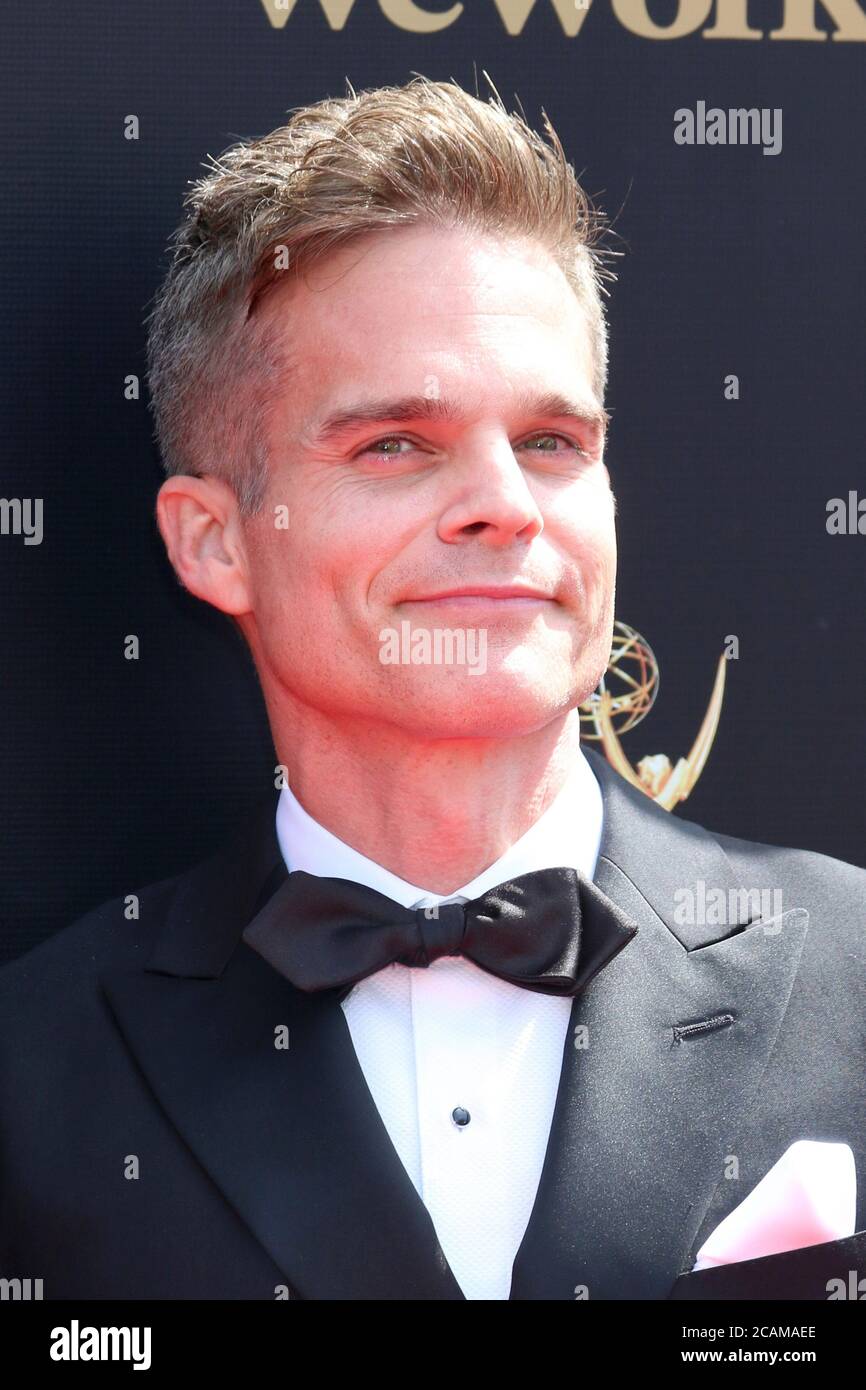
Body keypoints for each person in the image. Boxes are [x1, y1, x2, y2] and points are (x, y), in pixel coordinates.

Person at [1, 76, 864, 1302]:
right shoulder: (36, 1076)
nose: (505, 503)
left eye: (552, 442)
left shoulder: (851, 981)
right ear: (215, 541)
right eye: (394, 445)